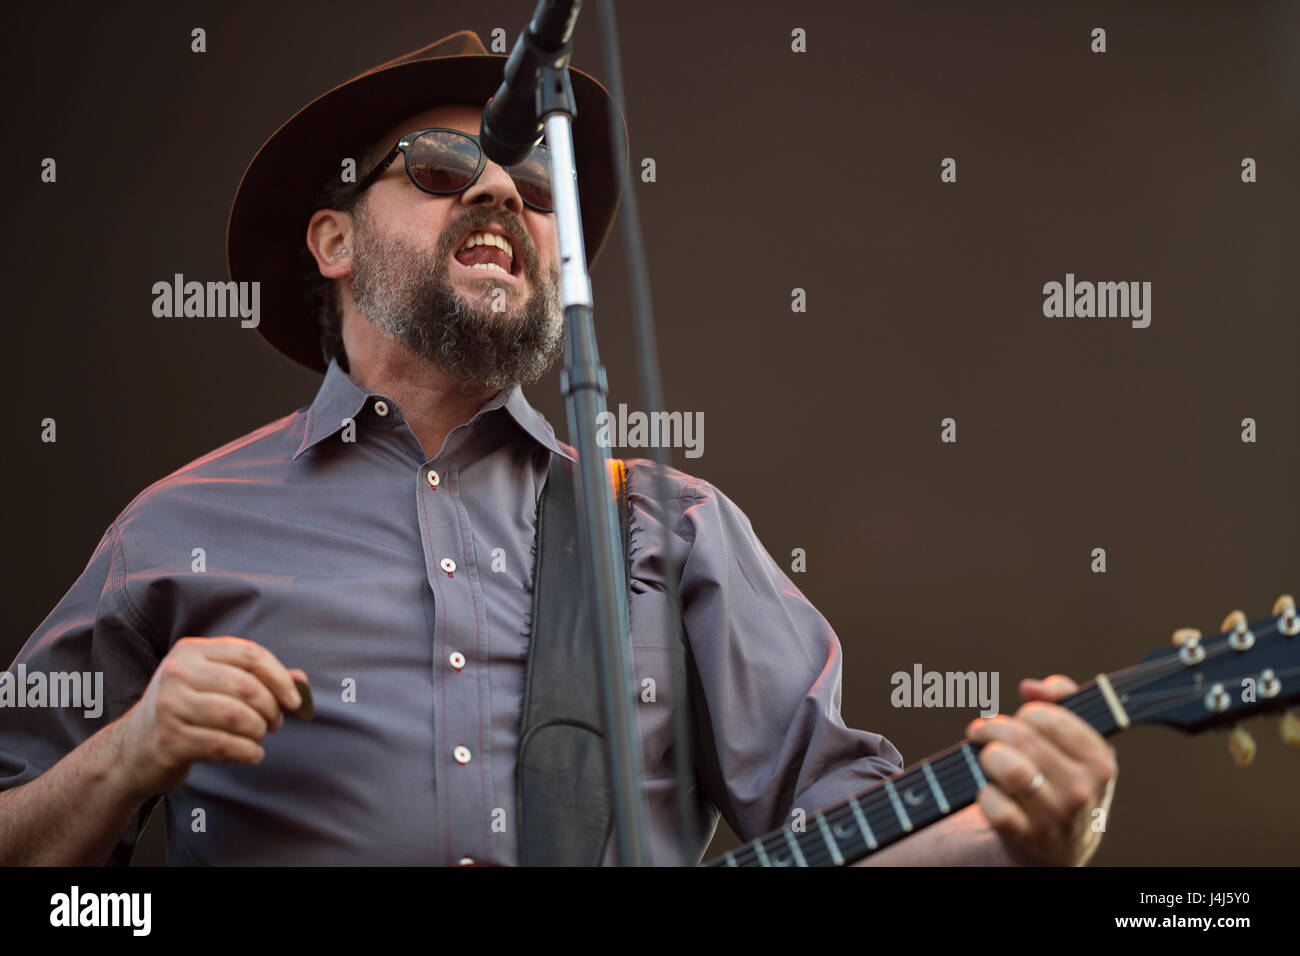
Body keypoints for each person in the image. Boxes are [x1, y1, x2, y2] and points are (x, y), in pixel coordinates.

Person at [0, 31, 1115, 866]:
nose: (498, 187)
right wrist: (130, 747)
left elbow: (847, 837)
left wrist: (1025, 836)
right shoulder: (175, 530)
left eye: (537, 190)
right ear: (333, 238)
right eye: (440, 167)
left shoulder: (669, 528)